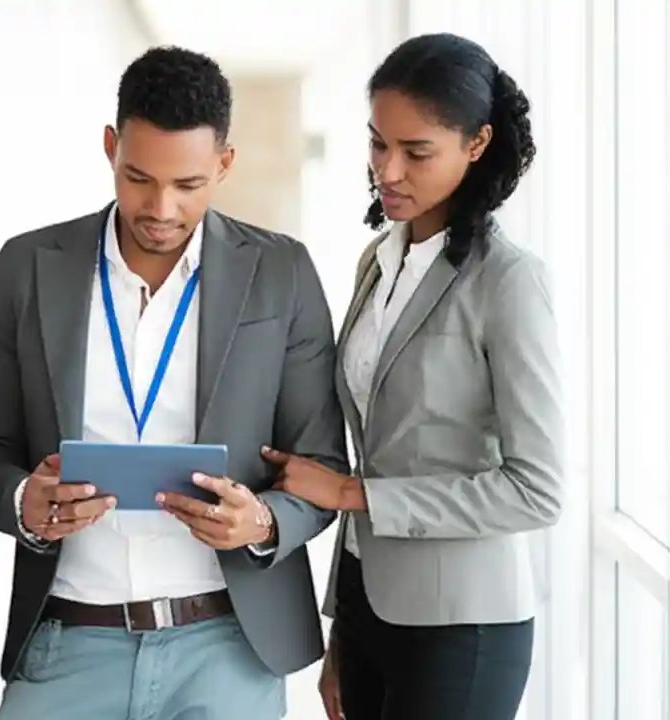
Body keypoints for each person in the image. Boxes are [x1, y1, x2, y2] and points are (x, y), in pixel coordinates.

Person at [0, 46, 349, 719]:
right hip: (68, 643)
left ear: (224, 164)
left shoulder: (282, 273)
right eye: (139, 177)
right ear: (110, 147)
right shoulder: (27, 266)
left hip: (228, 652)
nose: (162, 208)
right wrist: (25, 502)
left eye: (188, 184)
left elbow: (320, 465)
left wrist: (261, 522)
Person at [262, 33, 566, 720]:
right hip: (369, 607)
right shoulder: (378, 259)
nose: (388, 170)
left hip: (464, 626)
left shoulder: (510, 282)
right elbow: (378, 443)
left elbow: (536, 490)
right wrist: (343, 625)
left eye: (416, 152)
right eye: (378, 144)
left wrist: (351, 493)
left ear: (477, 143)